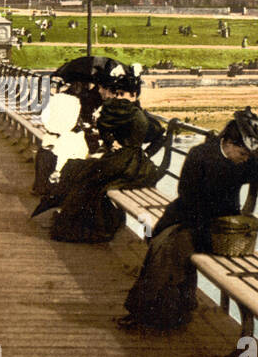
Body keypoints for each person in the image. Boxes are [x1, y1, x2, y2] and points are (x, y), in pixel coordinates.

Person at [119, 109, 258, 330]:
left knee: (167, 248)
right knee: (162, 244)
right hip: (190, 217)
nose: (244, 160)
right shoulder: (200, 154)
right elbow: (187, 194)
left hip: (221, 227)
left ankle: (151, 313)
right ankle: (157, 312)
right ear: (230, 144)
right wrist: (197, 225)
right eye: (242, 154)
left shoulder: (246, 161)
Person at [32, 72, 164, 243]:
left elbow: (106, 128)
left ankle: (81, 221)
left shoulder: (119, 111)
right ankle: (87, 220)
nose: (119, 97)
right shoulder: (134, 113)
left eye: (122, 94)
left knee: (84, 174)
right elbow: (158, 135)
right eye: (117, 94)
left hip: (124, 163)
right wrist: (134, 149)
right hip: (133, 164)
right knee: (81, 171)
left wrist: (118, 144)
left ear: (134, 95)